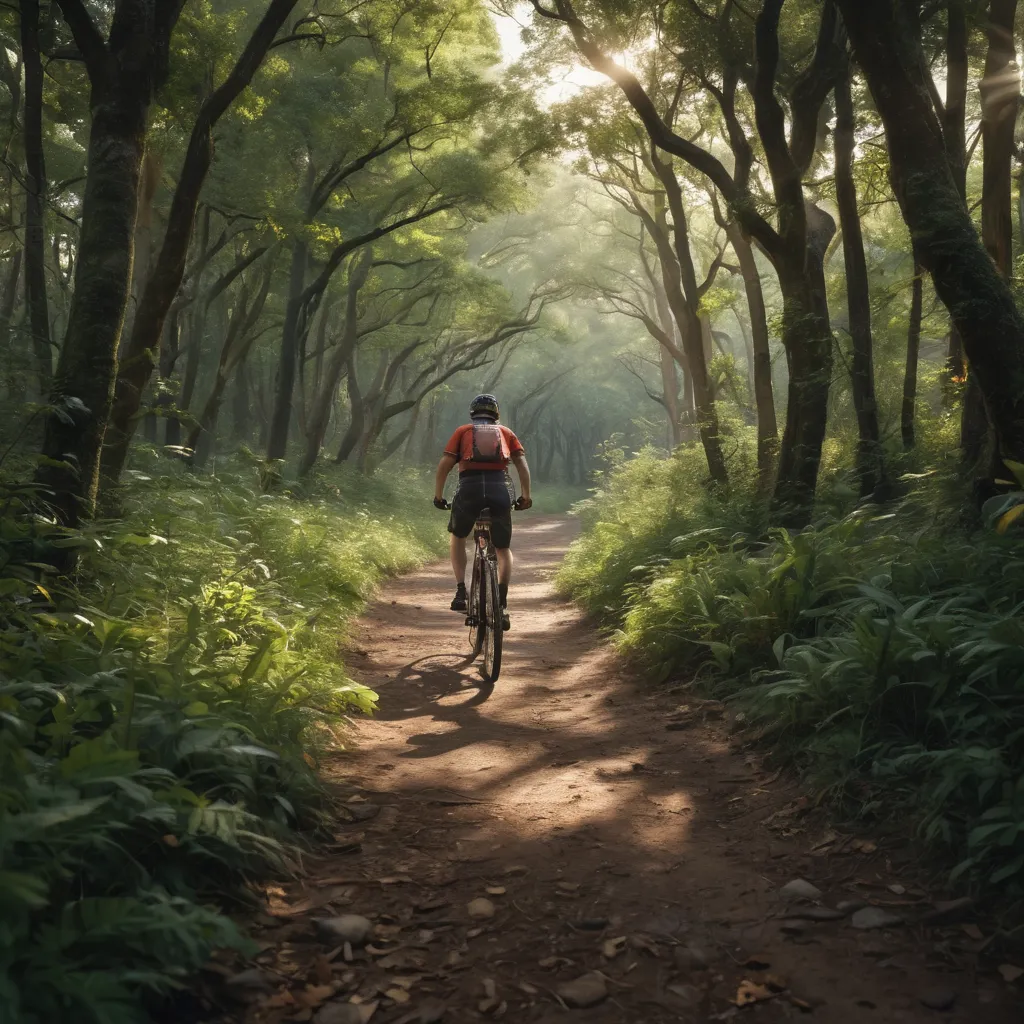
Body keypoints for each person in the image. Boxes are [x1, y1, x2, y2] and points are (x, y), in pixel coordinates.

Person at [433, 394, 532, 630]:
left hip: (469, 489)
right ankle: (502, 600)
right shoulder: (506, 432)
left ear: (473, 413)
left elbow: (445, 464)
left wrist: (439, 496)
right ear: (496, 413)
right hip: (499, 489)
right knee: (502, 548)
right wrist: (526, 496)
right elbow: (521, 464)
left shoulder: (463, 431)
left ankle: (460, 592)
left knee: (457, 537)